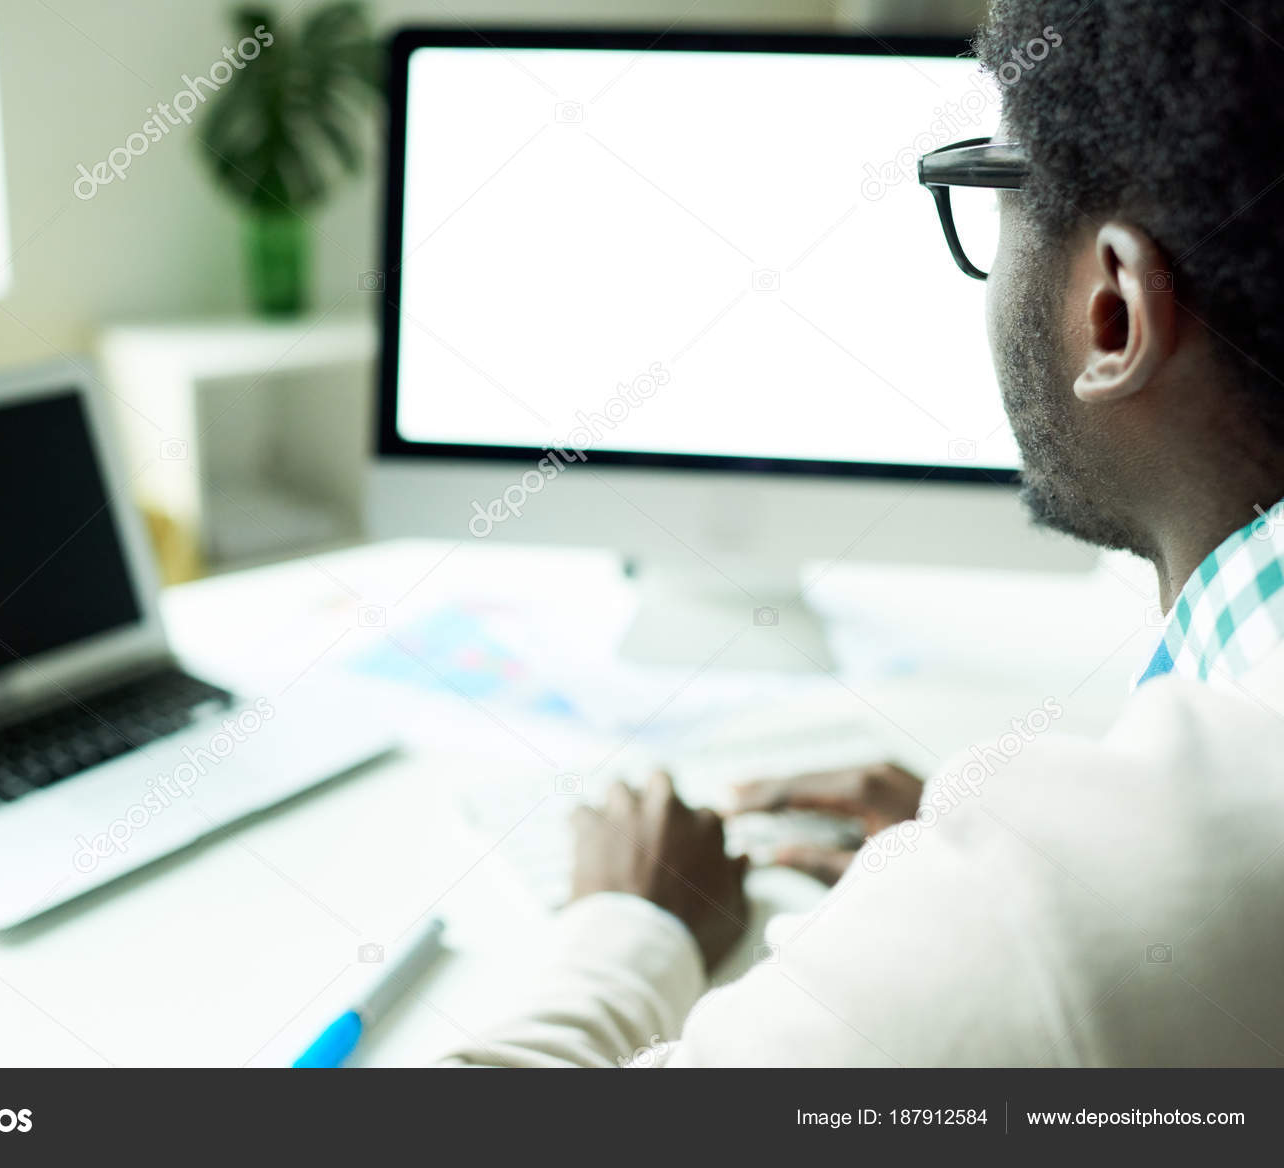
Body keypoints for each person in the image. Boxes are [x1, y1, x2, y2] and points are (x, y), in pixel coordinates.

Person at [441, 0, 1284, 1067]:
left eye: (991, 183)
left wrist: (628, 934)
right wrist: (950, 918)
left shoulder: (1055, 909)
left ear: (1111, 312)